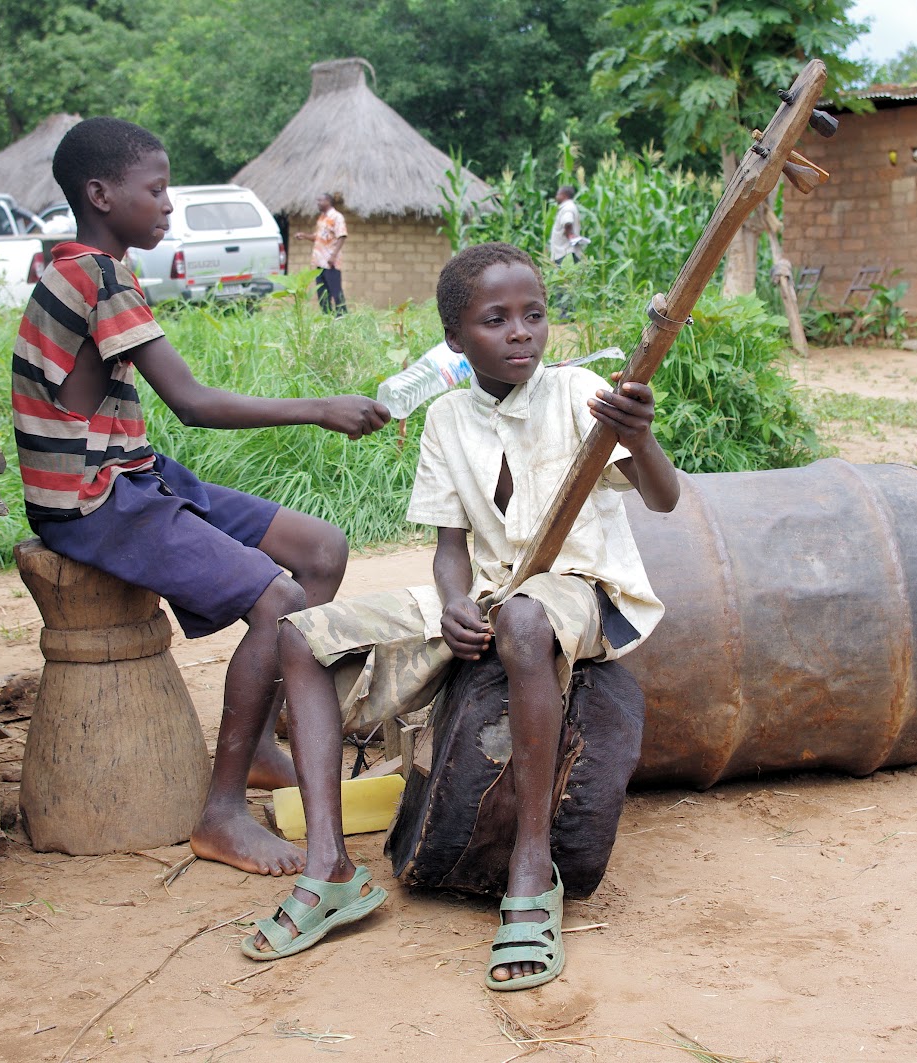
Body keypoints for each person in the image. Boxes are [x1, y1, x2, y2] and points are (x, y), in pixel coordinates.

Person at [244, 242, 681, 991]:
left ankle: (531, 869)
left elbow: (663, 497)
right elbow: (450, 548)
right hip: (483, 588)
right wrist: (450, 601)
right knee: (299, 638)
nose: (521, 332)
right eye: (496, 319)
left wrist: (638, 436)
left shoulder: (580, 393)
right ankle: (331, 867)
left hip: (579, 588)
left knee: (523, 622)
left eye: (534, 315)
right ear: (455, 339)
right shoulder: (446, 420)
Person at [12, 117, 389, 876]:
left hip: (133, 473)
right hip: (91, 499)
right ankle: (219, 813)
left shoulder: (90, 265)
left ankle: (258, 750)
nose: (169, 206)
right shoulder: (93, 274)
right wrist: (320, 407)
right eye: (155, 190)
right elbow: (190, 399)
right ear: (100, 194)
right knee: (278, 599)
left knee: (322, 550)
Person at [295, 192, 347, 314]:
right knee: (322, 292)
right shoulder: (322, 218)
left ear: (328, 201)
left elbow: (342, 236)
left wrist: (333, 255)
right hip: (319, 262)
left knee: (335, 290)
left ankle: (342, 316)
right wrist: (304, 236)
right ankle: (327, 316)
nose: (318, 203)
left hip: (330, 262)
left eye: (320, 201)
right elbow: (318, 237)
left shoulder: (336, 217)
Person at [549, 186, 584, 265]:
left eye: (558, 194)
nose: (556, 197)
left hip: (564, 252)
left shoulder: (567, 207)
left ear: (564, 195)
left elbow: (567, 221)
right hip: (566, 252)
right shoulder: (570, 206)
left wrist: (569, 234)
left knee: (564, 275)